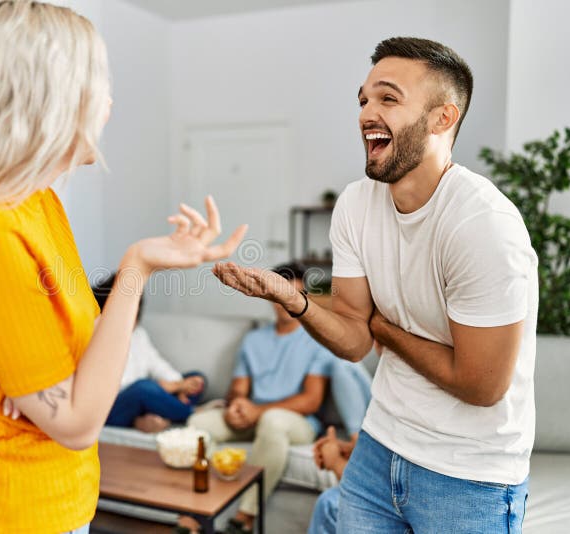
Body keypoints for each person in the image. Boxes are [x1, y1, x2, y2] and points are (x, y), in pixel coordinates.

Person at [0, 3, 247, 533]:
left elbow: (83, 364)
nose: (109, 104)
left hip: (60, 506)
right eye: (99, 83)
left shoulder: (39, 204)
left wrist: (60, 384)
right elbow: (77, 421)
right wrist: (134, 270)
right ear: (51, 95)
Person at [214, 36, 537, 533]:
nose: (367, 112)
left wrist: (385, 331)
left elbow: (482, 385)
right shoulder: (356, 206)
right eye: (363, 99)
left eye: (388, 98)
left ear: (442, 118)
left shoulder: (483, 224)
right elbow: (353, 336)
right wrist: (293, 299)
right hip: (377, 450)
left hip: (469, 476)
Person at [180, 262, 371, 534]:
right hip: (254, 417)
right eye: (281, 295)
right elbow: (239, 389)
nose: (287, 302)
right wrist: (236, 406)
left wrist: (257, 411)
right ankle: (197, 513)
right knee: (199, 424)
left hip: (296, 422)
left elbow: (311, 400)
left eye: (295, 294)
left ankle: (244, 518)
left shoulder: (317, 338)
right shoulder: (254, 339)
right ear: (270, 296)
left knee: (273, 420)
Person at [92, 272, 206, 432]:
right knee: (143, 388)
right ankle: (193, 414)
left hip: (144, 396)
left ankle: (154, 415)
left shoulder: (138, 334)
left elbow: (157, 365)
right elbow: (118, 385)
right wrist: (170, 387)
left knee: (197, 378)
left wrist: (180, 385)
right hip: (111, 407)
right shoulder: (97, 333)